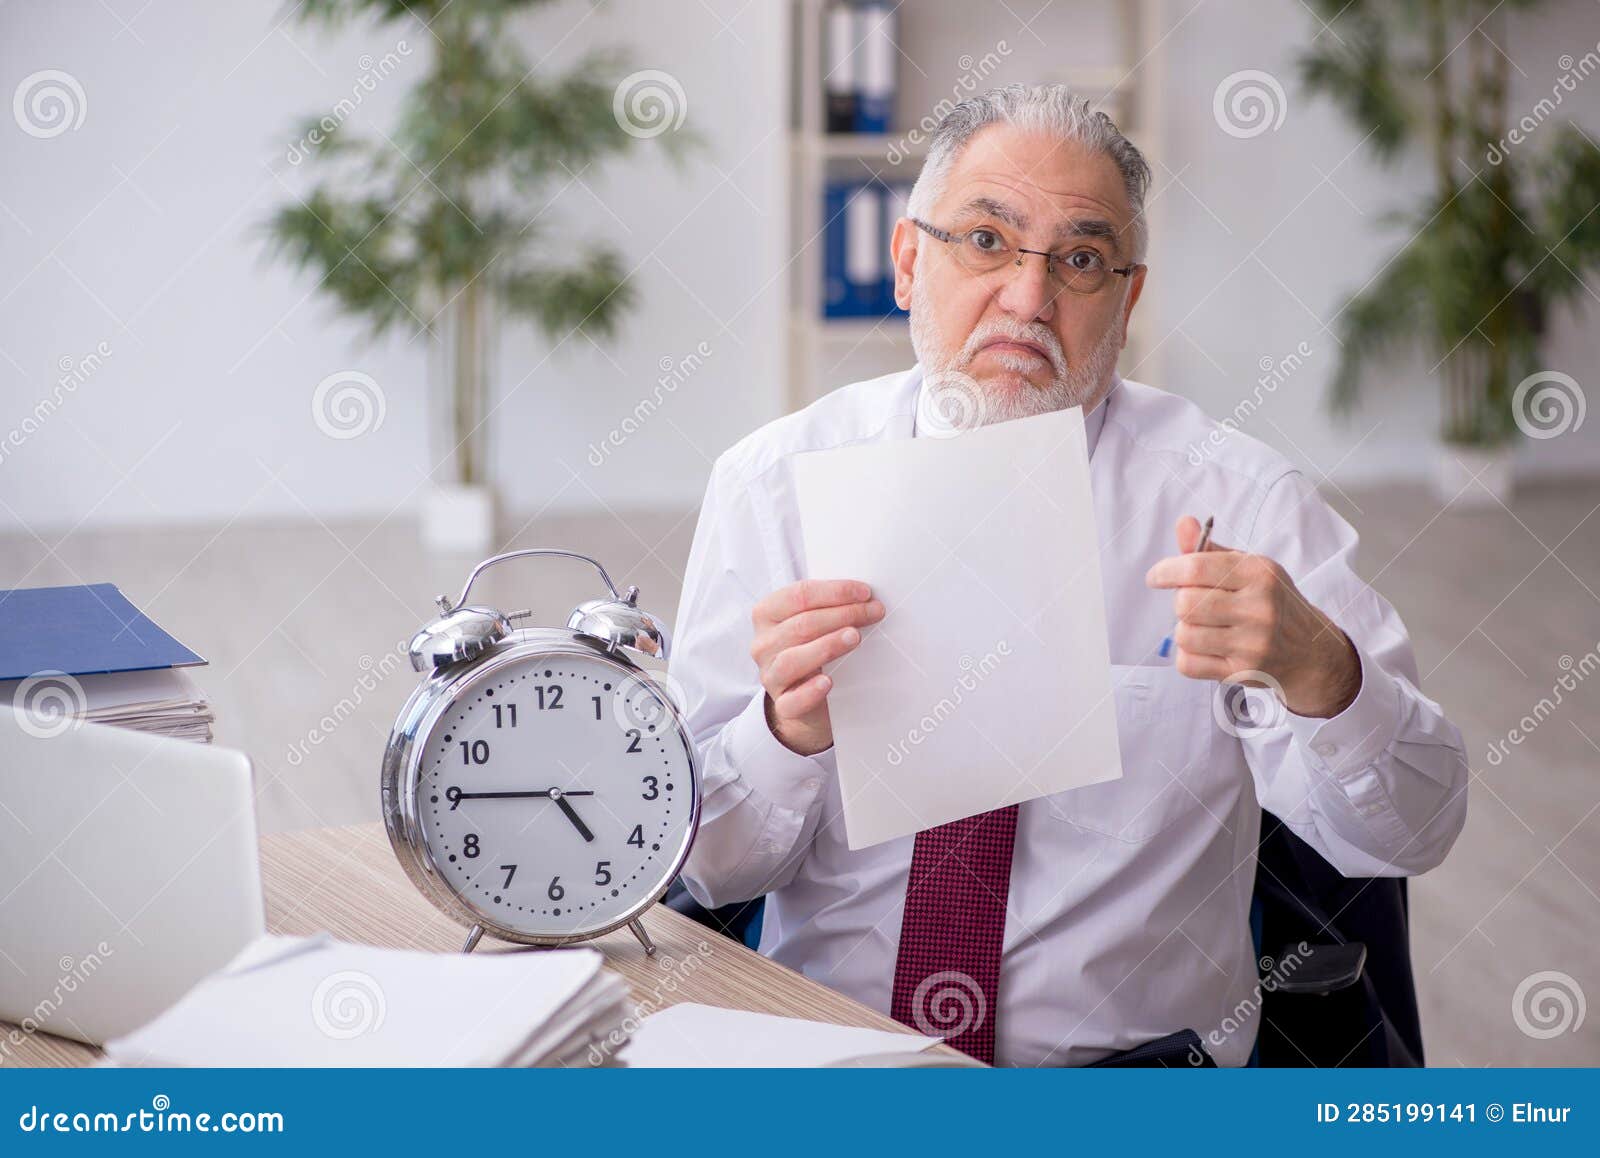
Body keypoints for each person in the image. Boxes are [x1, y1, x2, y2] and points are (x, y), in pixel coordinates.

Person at [671, 84, 1468, 1066]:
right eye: (985, 241)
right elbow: (702, 868)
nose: (1027, 296)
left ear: (1127, 299)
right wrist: (782, 734)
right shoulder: (770, 487)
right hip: (838, 1067)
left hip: (1132, 1085)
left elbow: (1410, 836)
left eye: (1080, 260)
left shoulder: (1241, 502)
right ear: (908, 261)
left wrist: (1326, 678)